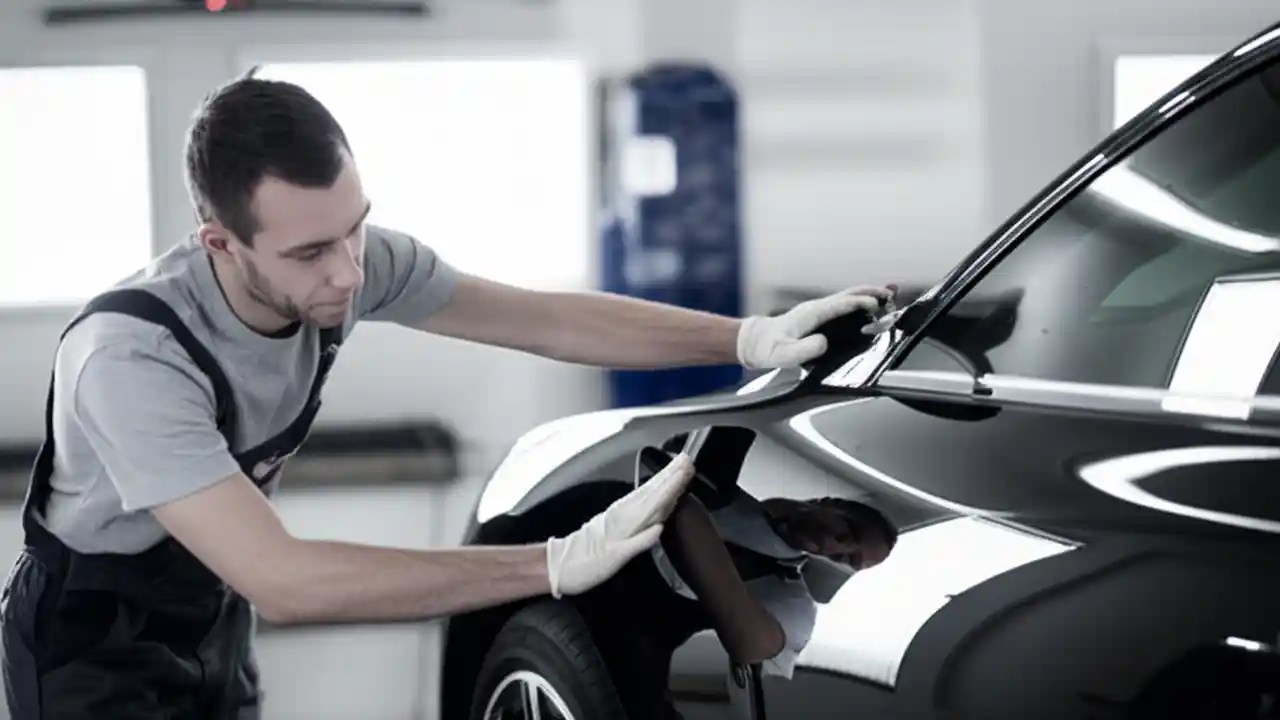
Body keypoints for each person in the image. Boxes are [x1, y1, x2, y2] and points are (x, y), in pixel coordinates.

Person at [0, 72, 896, 718]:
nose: (349, 273)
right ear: (219, 244)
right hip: (92, 643)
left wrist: (744, 337)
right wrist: (548, 563)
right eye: (310, 252)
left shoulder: (349, 260)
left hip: (212, 616)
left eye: (354, 229)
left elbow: (543, 320)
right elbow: (285, 579)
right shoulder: (132, 360)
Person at [588, 482, 897, 720]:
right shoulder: (726, 490)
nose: (838, 546)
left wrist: (689, 522)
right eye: (850, 531)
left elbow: (752, 646)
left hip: (617, 642)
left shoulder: (790, 600)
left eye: (848, 559)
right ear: (832, 504)